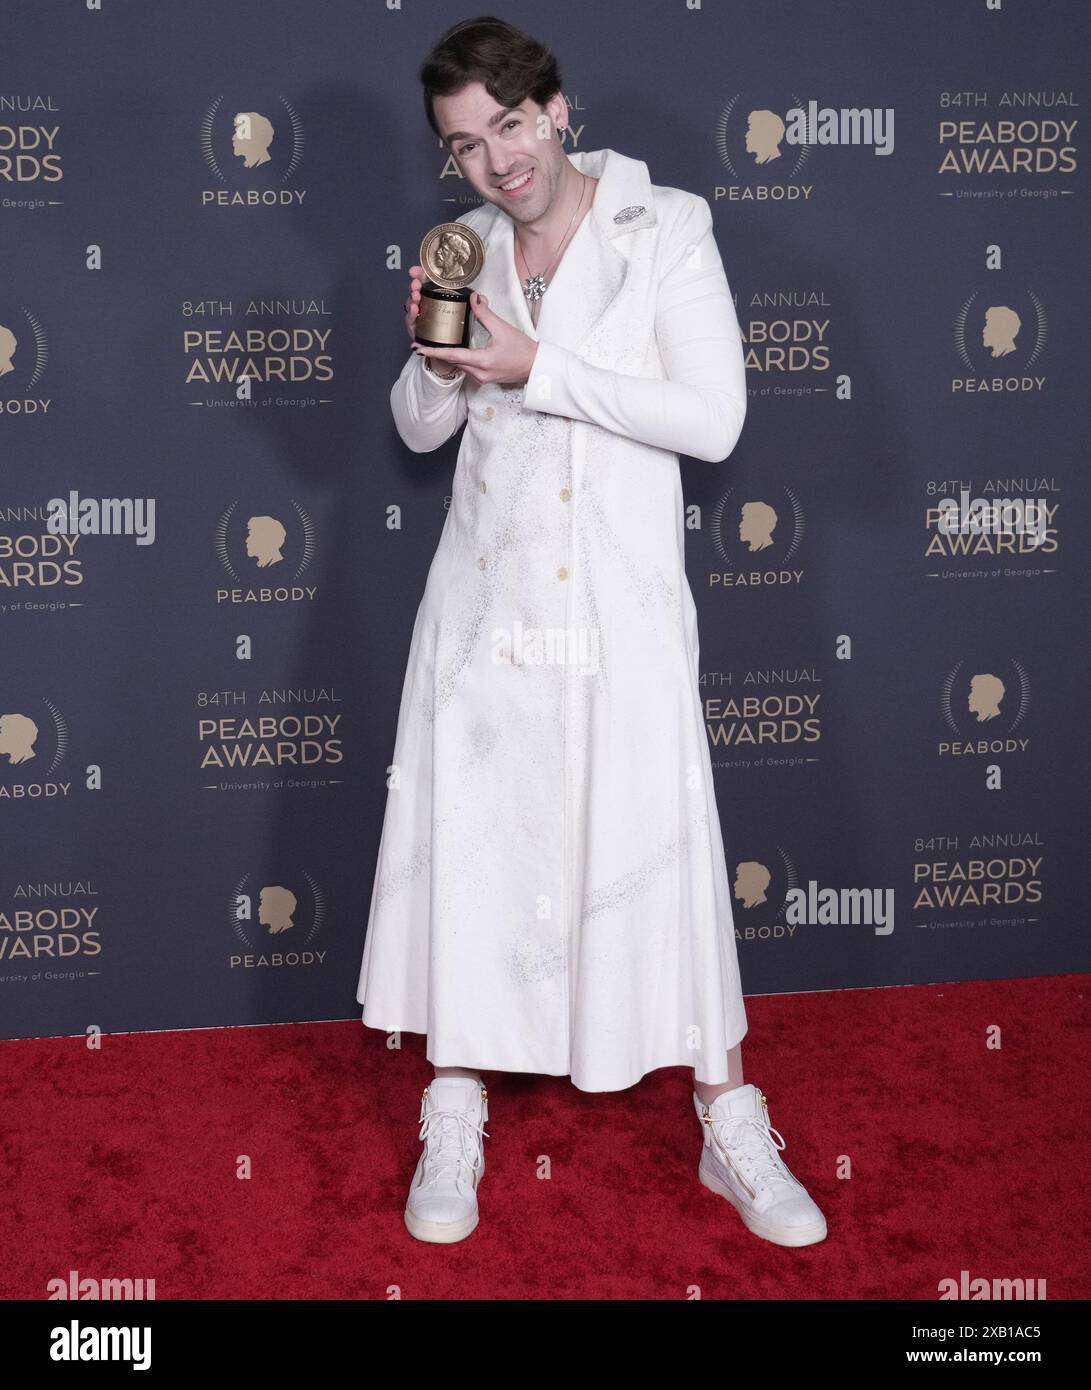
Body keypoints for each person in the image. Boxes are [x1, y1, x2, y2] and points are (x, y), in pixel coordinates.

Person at [357, 15, 827, 1250]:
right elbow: (414, 427)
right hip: (484, 612)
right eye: (464, 144)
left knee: (657, 849)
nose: (495, 160)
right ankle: (452, 1101)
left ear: (558, 109)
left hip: (617, 613)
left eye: (508, 125)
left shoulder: (663, 225)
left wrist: (533, 363)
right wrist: (443, 362)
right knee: (472, 852)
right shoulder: (460, 244)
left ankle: (729, 1117)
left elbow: (711, 419)